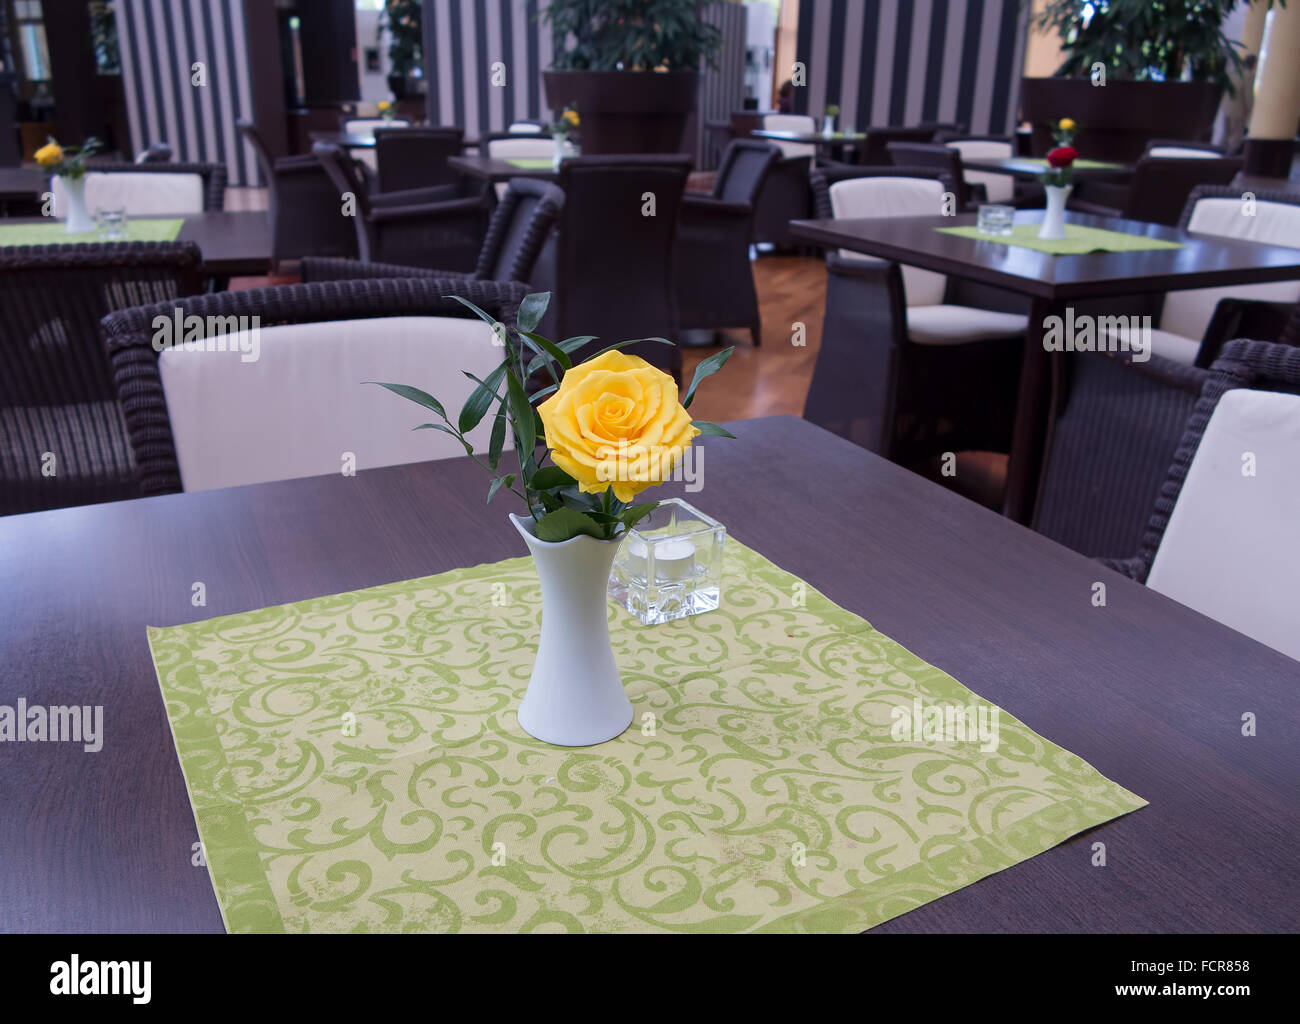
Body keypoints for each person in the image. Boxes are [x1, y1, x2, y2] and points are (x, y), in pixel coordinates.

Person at [1214, 53, 1256, 154]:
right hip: (1238, 111)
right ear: (1252, 64)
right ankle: (1228, 160)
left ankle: (1219, 155)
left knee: (1226, 134)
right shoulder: (1247, 75)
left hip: (1227, 108)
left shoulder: (1233, 73)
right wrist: (1251, 110)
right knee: (1236, 137)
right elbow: (1248, 95)